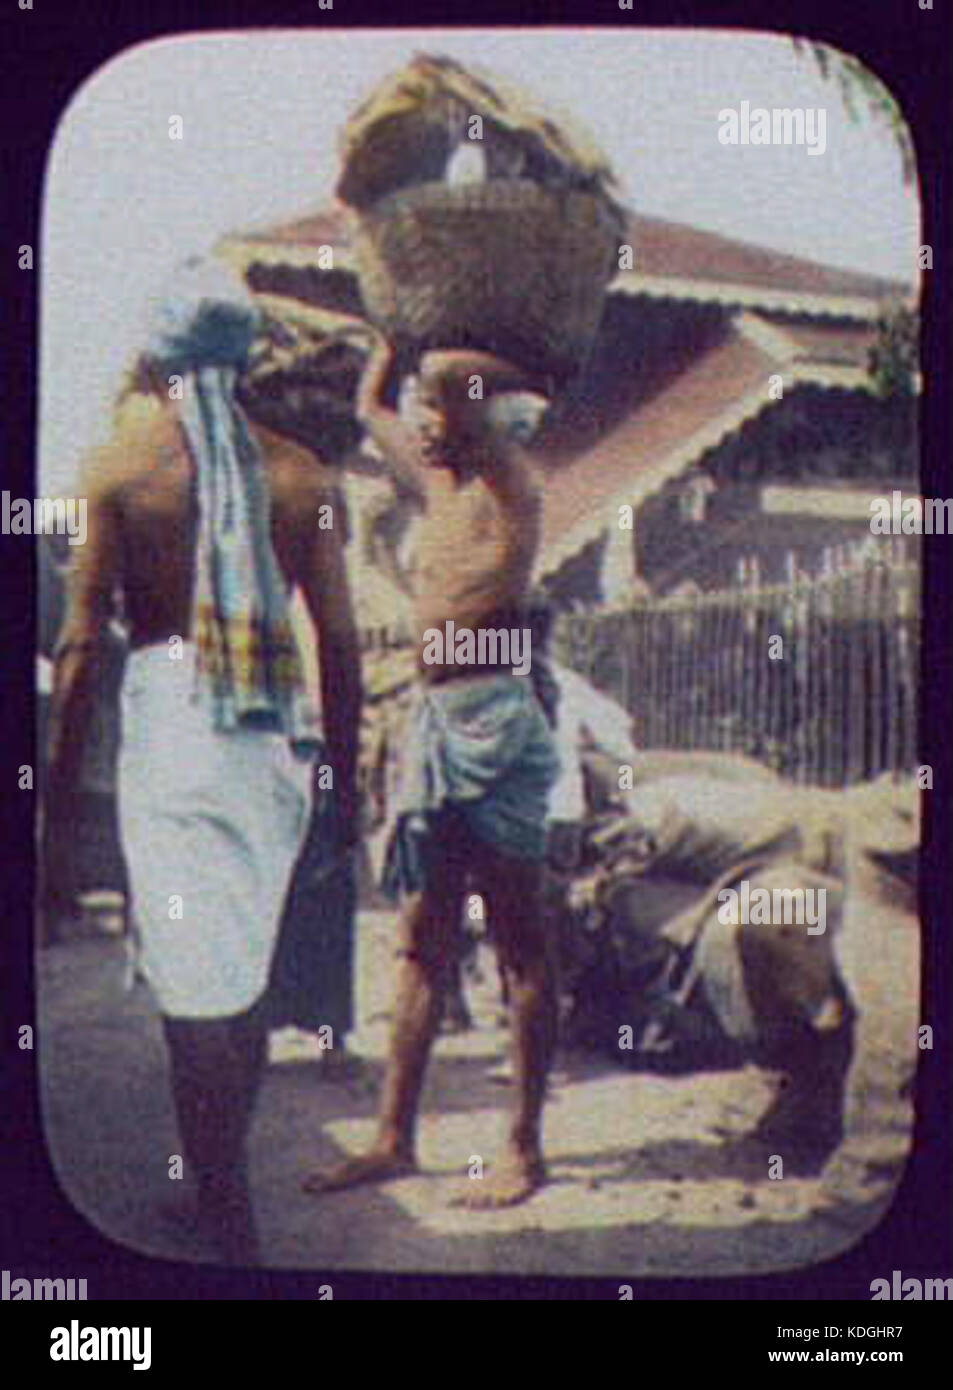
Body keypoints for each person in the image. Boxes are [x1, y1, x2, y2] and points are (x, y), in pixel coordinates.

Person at [45, 260, 362, 1261]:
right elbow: (343, 650)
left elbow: (83, 642)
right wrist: (341, 781)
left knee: (192, 988)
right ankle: (216, 1187)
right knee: (245, 973)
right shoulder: (303, 477)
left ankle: (227, 1209)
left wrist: (55, 795)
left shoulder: (117, 469)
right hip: (272, 735)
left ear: (156, 357)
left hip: (174, 735)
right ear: (245, 358)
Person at [303, 330, 560, 1208]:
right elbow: (370, 412)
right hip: (435, 723)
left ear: (477, 412)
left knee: (521, 943)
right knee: (421, 941)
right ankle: (391, 1139)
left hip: (496, 720)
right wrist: (385, 347)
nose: (427, 425)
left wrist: (443, 352)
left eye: (442, 408)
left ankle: (522, 1149)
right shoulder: (440, 483)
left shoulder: (509, 480)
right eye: (427, 412)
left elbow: (460, 380)